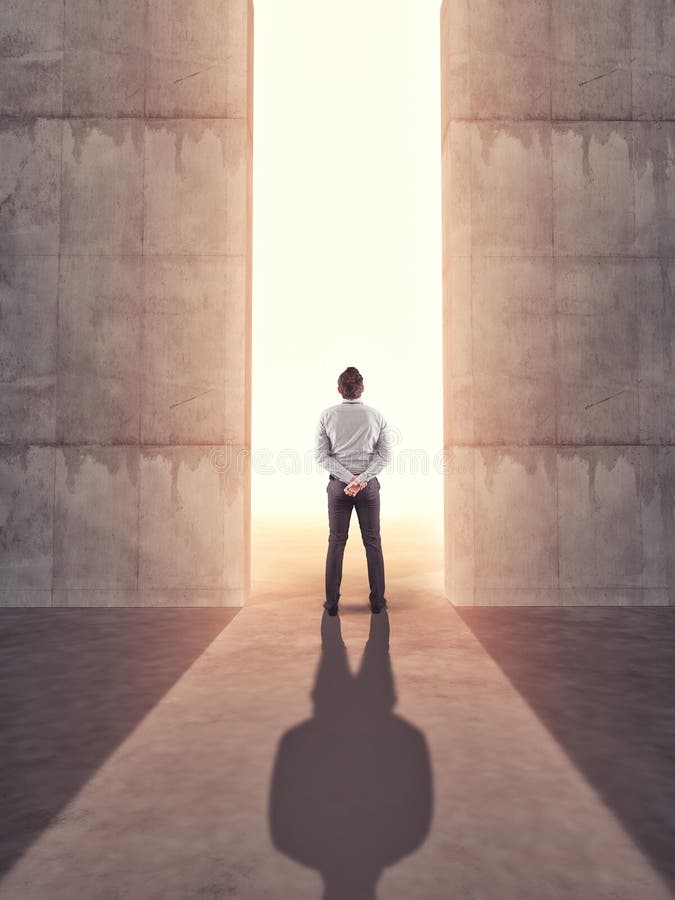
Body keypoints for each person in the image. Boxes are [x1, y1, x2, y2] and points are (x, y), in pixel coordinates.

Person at [313, 366, 391, 616]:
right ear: (362, 389)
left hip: (338, 487)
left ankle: (332, 603)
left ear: (339, 390)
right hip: (368, 489)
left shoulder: (327, 416)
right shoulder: (376, 416)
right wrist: (362, 479)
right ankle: (378, 602)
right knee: (373, 542)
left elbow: (321, 456)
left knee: (336, 541)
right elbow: (384, 455)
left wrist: (348, 479)